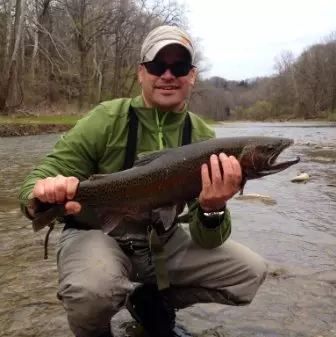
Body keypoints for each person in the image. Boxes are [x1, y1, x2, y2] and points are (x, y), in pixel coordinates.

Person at [18, 25, 268, 337]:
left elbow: (208, 241)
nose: (167, 75)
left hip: (163, 241)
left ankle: (149, 300)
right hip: (97, 234)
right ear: (141, 73)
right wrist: (41, 195)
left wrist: (213, 210)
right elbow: (34, 183)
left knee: (249, 273)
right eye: (156, 66)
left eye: (178, 67)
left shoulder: (202, 137)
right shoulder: (106, 119)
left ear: (191, 76)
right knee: (91, 292)